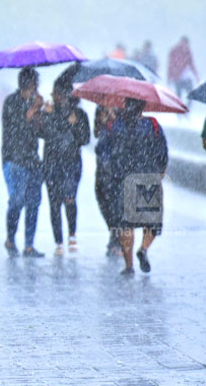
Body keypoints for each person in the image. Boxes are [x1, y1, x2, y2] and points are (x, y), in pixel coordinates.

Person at [98, 98, 168, 275]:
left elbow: (102, 150)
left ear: (124, 105)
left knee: (125, 224)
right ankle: (143, 249)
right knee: (151, 222)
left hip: (124, 179)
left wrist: (112, 168)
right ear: (143, 107)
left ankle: (129, 265)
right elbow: (162, 151)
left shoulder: (114, 126)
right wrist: (160, 170)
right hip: (149, 177)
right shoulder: (152, 124)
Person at [40, 81, 90, 255]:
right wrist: (45, 115)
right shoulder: (49, 113)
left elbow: (85, 139)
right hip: (51, 163)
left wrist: (75, 125)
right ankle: (59, 242)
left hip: (71, 163)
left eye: (60, 94)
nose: (57, 98)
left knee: (69, 198)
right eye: (55, 94)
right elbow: (42, 133)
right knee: (54, 203)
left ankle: (72, 235)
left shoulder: (79, 114)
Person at [1, 68, 45, 258]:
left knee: (34, 202)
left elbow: (39, 131)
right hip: (15, 158)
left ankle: (29, 244)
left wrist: (41, 114)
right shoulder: (11, 102)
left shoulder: (34, 103)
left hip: (33, 159)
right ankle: (11, 238)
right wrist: (33, 109)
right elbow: (17, 127)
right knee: (17, 200)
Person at [94, 106, 121, 257]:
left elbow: (128, 134)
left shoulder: (124, 110)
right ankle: (114, 233)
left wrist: (116, 121)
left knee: (116, 204)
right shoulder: (101, 106)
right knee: (103, 201)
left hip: (117, 167)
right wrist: (102, 122)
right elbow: (95, 133)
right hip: (102, 168)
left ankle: (116, 240)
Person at [167, 36, 199, 101]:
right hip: (179, 76)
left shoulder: (183, 51)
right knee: (184, 94)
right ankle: (183, 108)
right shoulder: (180, 51)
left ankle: (181, 108)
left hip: (179, 76)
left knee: (180, 94)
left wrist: (169, 76)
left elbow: (170, 65)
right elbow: (191, 64)